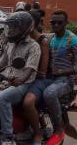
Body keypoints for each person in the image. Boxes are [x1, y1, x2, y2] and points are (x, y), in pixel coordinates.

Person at [0, 11, 41, 145]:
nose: (11, 30)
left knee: (2, 98)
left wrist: (20, 80)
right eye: (10, 27)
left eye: (14, 27)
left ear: (25, 28)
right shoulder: (10, 44)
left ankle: (8, 137)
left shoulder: (33, 46)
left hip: (23, 85)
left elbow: (29, 69)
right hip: (6, 82)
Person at [41, 10, 77, 145]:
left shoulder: (72, 39)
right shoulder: (49, 38)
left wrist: (62, 71)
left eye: (59, 22)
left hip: (66, 80)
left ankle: (58, 127)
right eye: (52, 22)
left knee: (49, 94)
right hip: (49, 78)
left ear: (66, 23)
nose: (55, 25)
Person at [22, 11, 52, 145]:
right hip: (26, 76)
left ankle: (38, 134)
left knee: (28, 102)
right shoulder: (23, 39)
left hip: (41, 79)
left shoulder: (42, 41)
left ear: (31, 24)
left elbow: (42, 71)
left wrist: (25, 75)